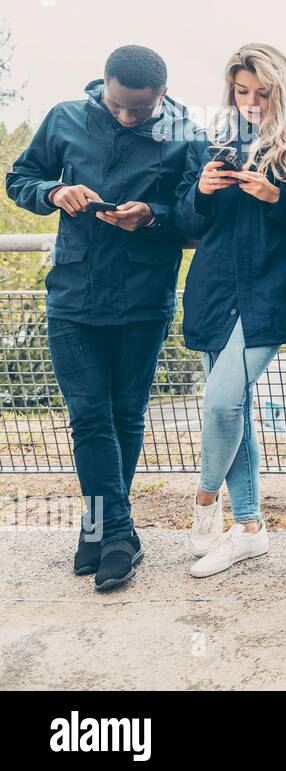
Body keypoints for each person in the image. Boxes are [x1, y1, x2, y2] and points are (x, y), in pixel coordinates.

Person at [5, 45, 198, 592]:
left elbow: (193, 216)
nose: (126, 116)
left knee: (126, 414)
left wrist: (153, 216)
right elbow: (20, 179)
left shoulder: (186, 132)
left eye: (139, 110)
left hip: (144, 296)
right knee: (89, 415)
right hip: (73, 293)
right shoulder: (65, 117)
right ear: (103, 87)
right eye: (117, 106)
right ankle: (118, 532)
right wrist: (54, 190)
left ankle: (98, 529)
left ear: (162, 95)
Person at [175, 44, 286, 577]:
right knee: (233, 410)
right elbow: (186, 223)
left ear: (280, 90)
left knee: (221, 402)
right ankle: (251, 527)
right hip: (213, 290)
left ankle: (205, 502)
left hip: (270, 292)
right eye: (241, 92)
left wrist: (277, 198)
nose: (251, 102)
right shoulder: (211, 142)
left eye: (262, 93)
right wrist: (202, 192)